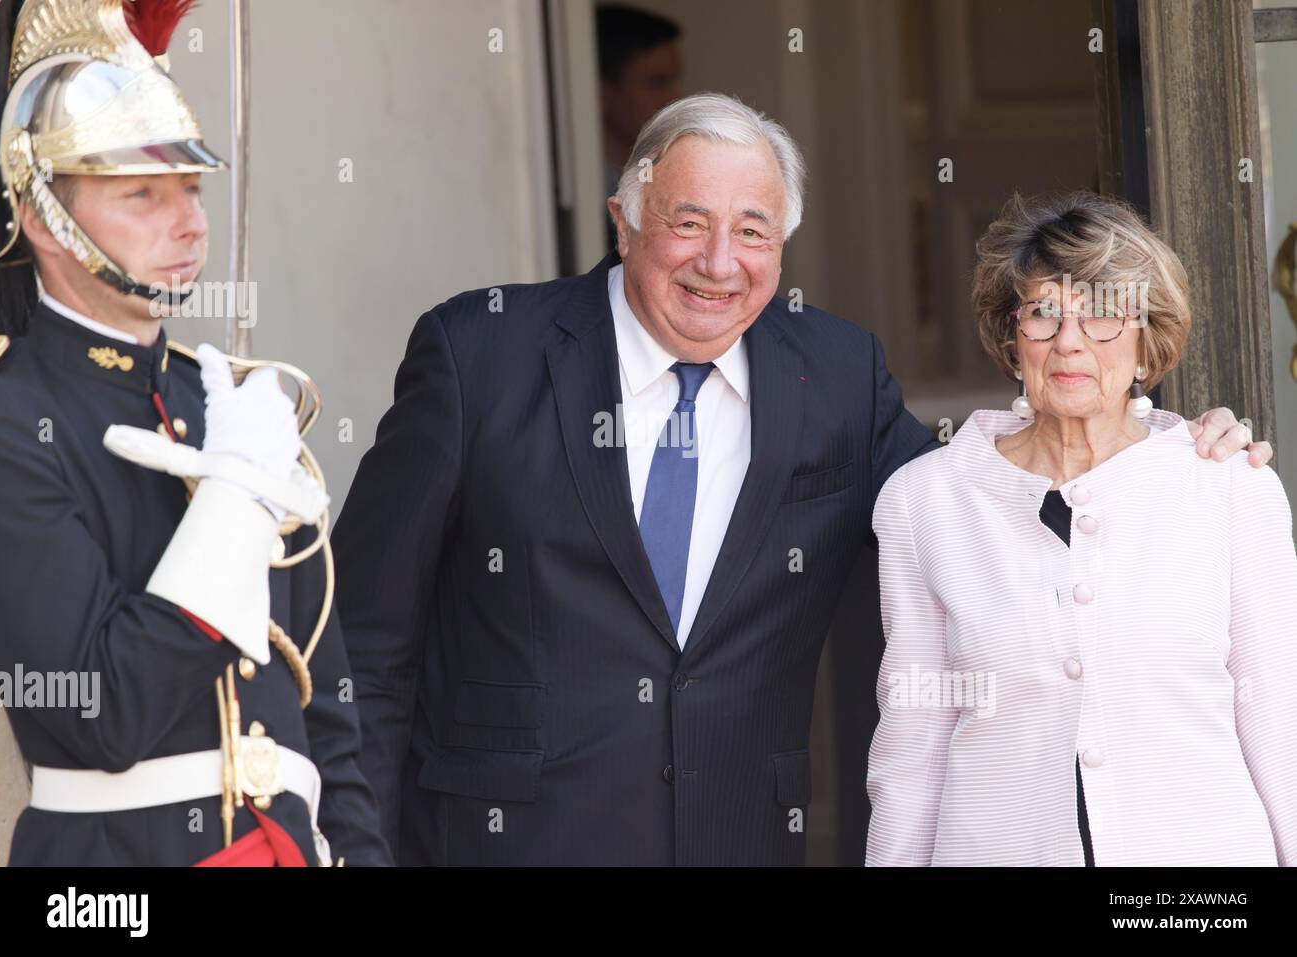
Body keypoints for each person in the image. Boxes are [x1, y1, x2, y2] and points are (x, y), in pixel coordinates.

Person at [333, 94, 1268, 866]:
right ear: (625, 218)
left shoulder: (835, 377)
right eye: (687, 222)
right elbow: (360, 646)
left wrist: (1166, 443)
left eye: (754, 230)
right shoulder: (477, 353)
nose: (719, 262)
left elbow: (991, 493)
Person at [0, 0, 388, 866]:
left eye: (191, 187)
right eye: (141, 192)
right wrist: (235, 504)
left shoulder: (234, 405)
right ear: (41, 217)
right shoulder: (13, 419)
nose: (188, 222)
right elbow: (101, 713)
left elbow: (326, 720)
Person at [865, 190, 1297, 866]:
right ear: (1012, 337)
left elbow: (1281, 723)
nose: (1069, 340)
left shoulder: (1230, 487)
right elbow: (911, 749)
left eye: (1101, 313)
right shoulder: (926, 503)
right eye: (1043, 313)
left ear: (1147, 341)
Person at [597, 4, 683, 248]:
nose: (675, 98)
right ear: (603, 92)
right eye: (657, 82)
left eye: (675, 81)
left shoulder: (672, 180)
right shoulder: (568, 199)